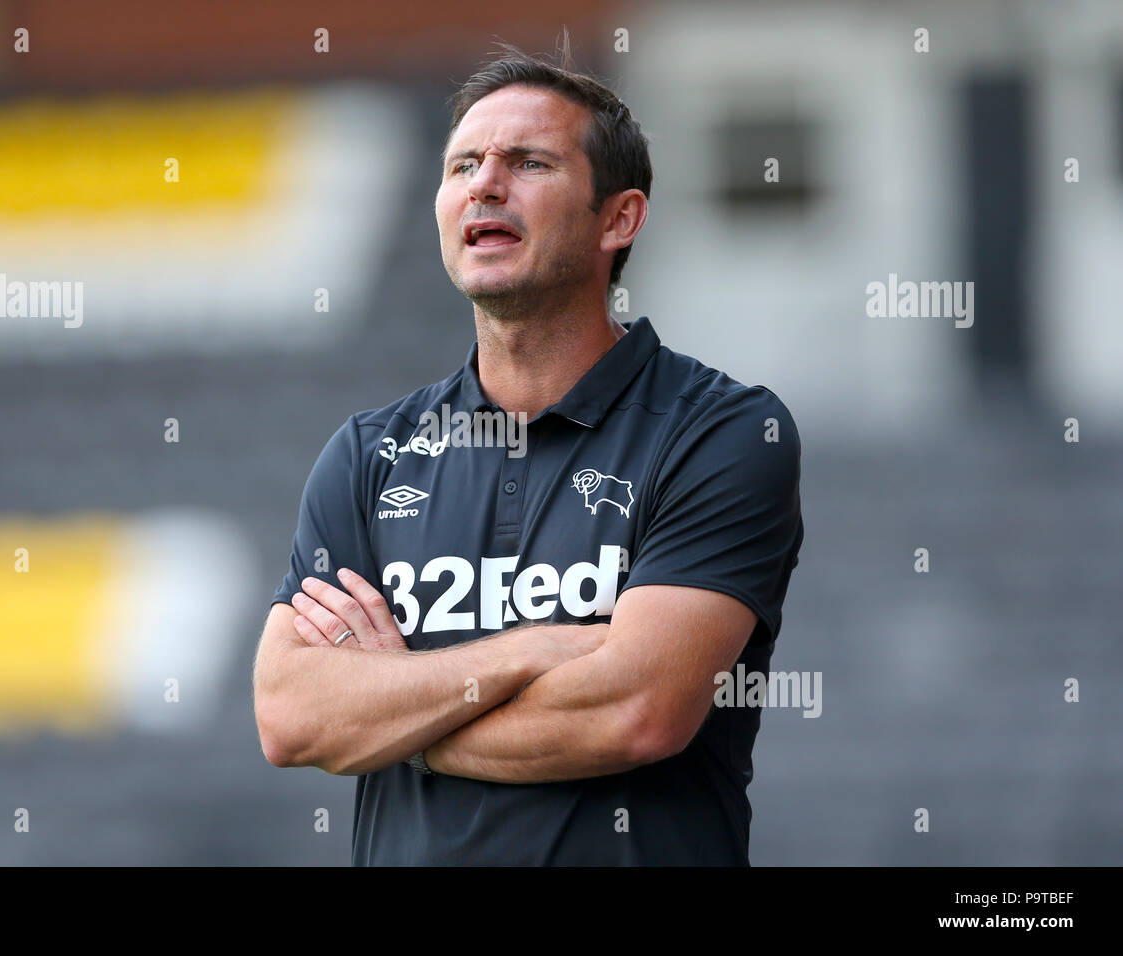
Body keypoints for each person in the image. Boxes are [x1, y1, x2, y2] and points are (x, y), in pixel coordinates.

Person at [253, 40, 804, 865]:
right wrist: (536, 648)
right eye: (463, 164)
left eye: (529, 162)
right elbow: (293, 717)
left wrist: (393, 712)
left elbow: (634, 714)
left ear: (618, 219)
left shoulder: (720, 432)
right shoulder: (370, 454)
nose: (484, 183)